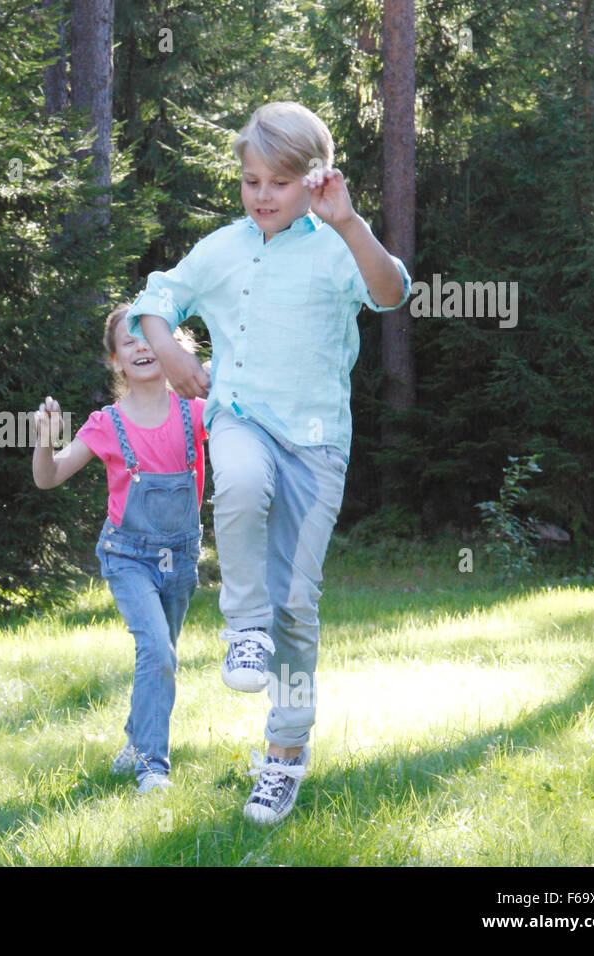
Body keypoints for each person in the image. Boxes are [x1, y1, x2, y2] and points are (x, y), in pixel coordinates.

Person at [125, 101, 411, 824]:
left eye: (279, 182)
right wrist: (168, 348)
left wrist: (350, 222)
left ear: (315, 180)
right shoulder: (221, 248)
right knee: (241, 486)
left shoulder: (337, 243)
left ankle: (283, 754)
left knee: (299, 607)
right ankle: (242, 627)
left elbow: (391, 291)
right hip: (243, 417)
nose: (262, 195)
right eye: (252, 180)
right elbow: (154, 302)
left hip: (316, 445)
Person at [32, 305, 206, 794]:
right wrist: (44, 442)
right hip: (128, 555)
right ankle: (153, 766)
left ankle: (135, 738)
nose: (142, 347)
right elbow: (49, 477)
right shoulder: (106, 422)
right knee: (156, 647)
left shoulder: (197, 410)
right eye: (129, 342)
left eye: (151, 336)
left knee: (161, 656)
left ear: (174, 346)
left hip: (182, 556)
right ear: (115, 361)